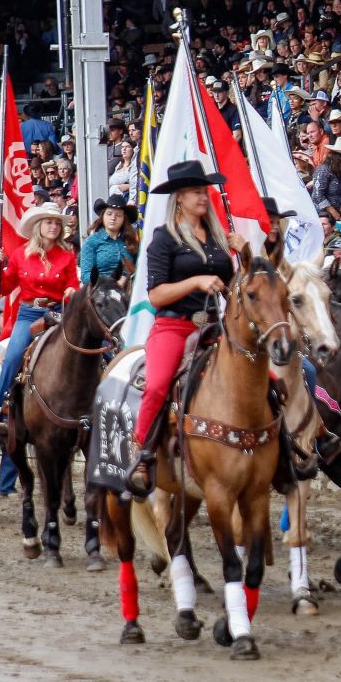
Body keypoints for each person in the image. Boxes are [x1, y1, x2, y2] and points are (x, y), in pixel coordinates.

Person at [128, 160, 242, 493]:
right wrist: (196, 281)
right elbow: (156, 293)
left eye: (204, 191)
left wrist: (245, 253)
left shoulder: (220, 238)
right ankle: (142, 452)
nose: (203, 197)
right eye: (195, 192)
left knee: (265, 374)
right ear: (179, 197)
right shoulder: (163, 239)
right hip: (174, 326)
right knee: (158, 385)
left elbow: (235, 286)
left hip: (216, 327)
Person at [0, 202, 81, 434]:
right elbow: (5, 288)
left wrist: (71, 292)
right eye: (49, 222)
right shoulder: (20, 255)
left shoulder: (67, 256)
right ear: (38, 226)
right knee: (13, 357)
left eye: (57, 223)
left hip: (58, 313)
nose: (54, 227)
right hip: (28, 314)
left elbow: (73, 285)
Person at [79, 194, 139, 284]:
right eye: (109, 214)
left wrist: (126, 280)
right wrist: (111, 282)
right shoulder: (92, 242)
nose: (113, 218)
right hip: (100, 291)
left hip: (129, 290)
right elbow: (86, 276)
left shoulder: (130, 242)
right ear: (102, 216)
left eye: (118, 215)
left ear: (124, 219)